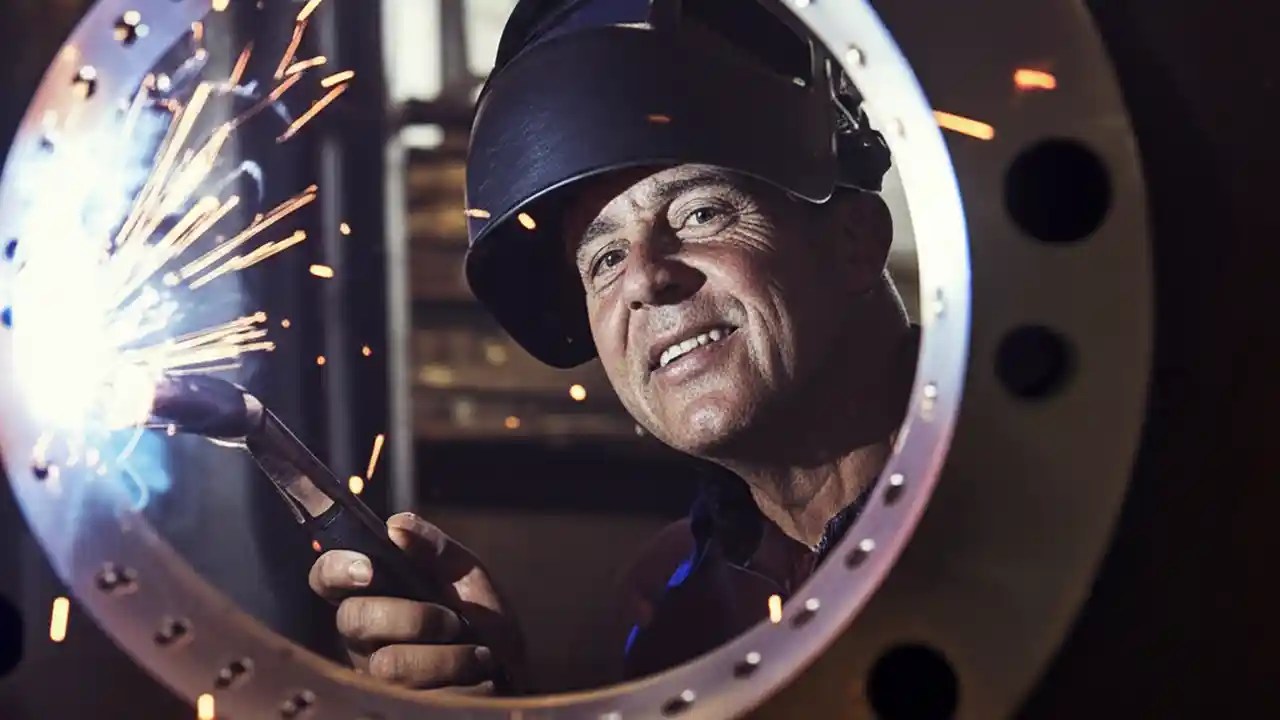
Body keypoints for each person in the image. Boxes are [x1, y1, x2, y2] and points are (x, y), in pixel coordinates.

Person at [308, 0, 916, 694]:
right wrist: (503, 705)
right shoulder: (662, 608)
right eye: (602, 261)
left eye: (700, 212)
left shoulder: (1017, 492)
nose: (648, 281)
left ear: (855, 240)